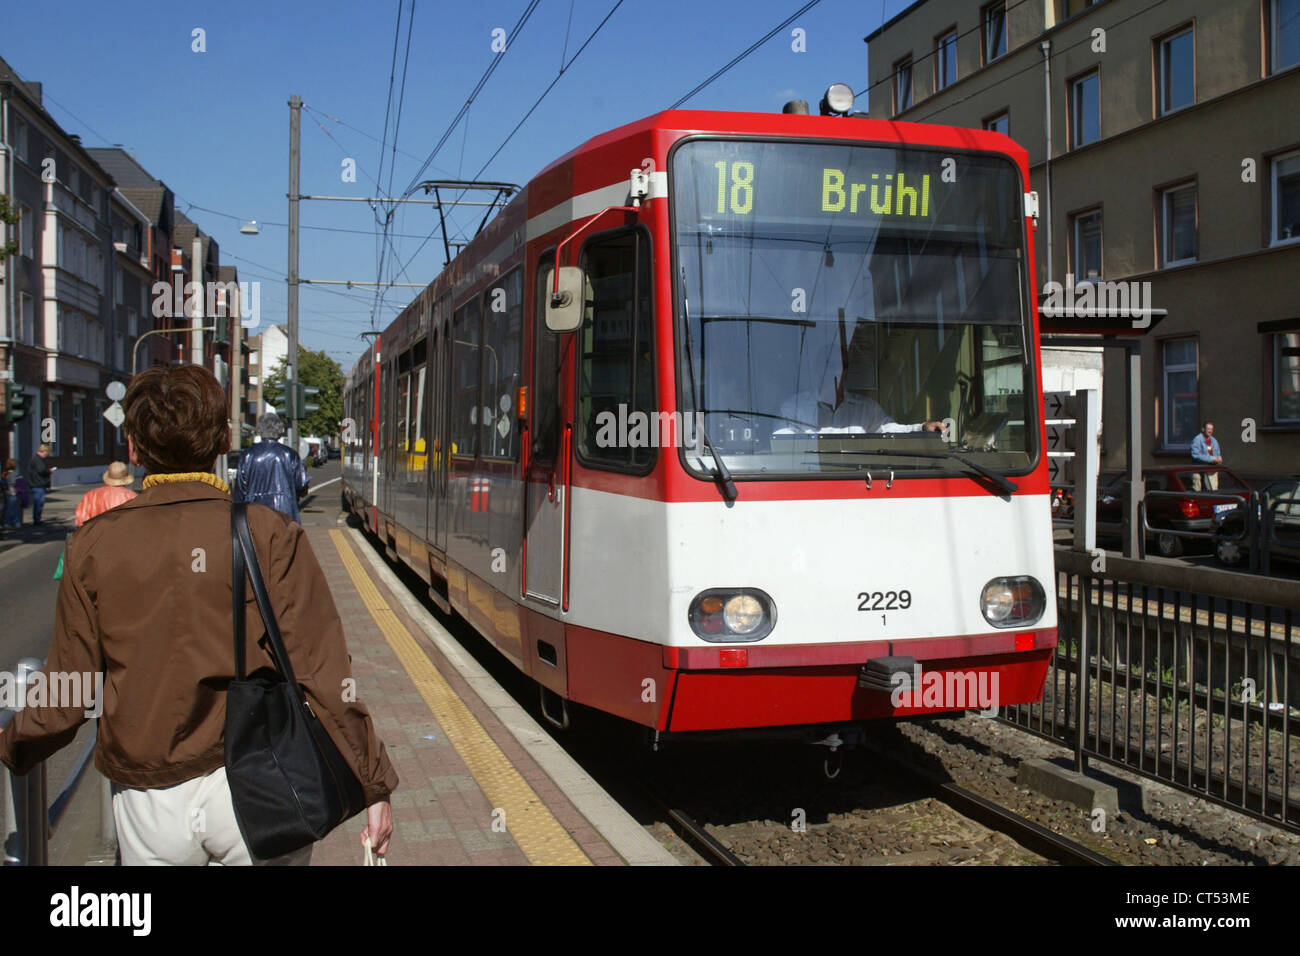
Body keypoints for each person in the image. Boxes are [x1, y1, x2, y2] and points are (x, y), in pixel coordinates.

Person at [0, 364, 396, 865]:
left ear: (134, 449)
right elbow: (324, 673)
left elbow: (68, 693)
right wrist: (373, 784)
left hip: (150, 795)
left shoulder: (93, 544)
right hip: (263, 784)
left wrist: (12, 743)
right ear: (222, 440)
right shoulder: (267, 533)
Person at [235, 412, 310, 522]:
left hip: (255, 515)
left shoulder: (247, 455)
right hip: (285, 513)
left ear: (259, 430)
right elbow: (301, 484)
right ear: (279, 430)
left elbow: (240, 492)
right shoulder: (289, 454)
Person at [74, 461, 138, 528]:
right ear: (126, 478)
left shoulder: (91, 495)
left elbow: (80, 520)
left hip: (95, 535)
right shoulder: (132, 496)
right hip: (122, 535)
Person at [25, 443, 55, 524]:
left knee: (38, 503)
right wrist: (49, 471)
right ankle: (37, 520)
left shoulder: (35, 459)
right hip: (38, 484)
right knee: (38, 503)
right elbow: (41, 471)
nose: (47, 455)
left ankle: (37, 519)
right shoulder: (37, 460)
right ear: (44, 452)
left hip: (36, 483)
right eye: (47, 453)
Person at [1190, 420, 1221, 491]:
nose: (1210, 431)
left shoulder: (1214, 441)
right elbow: (1195, 455)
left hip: (1211, 469)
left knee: (1213, 491)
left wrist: (1219, 458)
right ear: (1203, 429)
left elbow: (1217, 454)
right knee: (1197, 490)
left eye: (1211, 429)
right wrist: (1211, 459)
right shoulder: (1197, 440)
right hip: (1198, 469)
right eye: (1208, 429)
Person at [1, 458, 21, 529]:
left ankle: (9, 522)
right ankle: (13, 522)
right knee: (13, 509)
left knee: (8, 508)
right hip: (12, 493)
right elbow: (13, 484)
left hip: (7, 493)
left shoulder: (5, 474)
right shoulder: (13, 474)